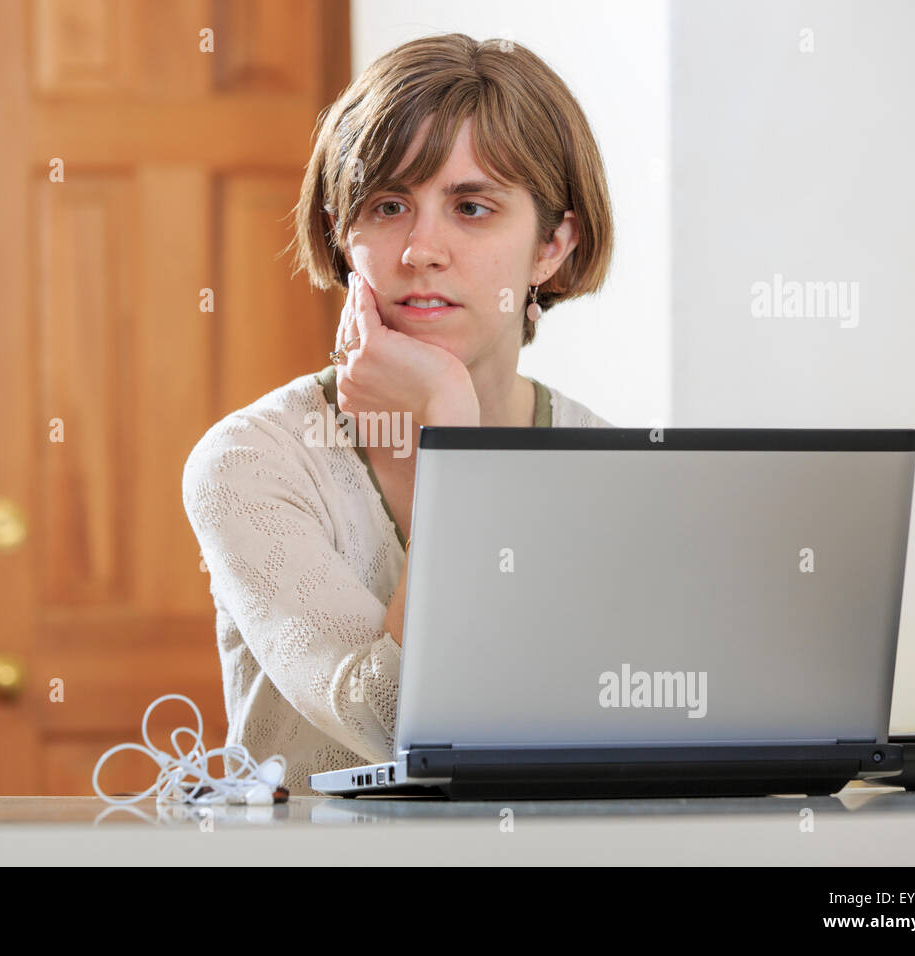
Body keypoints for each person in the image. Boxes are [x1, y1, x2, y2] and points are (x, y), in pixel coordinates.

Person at [181, 33, 616, 796]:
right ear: (345, 237)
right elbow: (396, 724)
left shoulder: (607, 465)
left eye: (472, 207)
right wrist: (450, 426)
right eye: (388, 206)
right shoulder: (251, 463)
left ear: (552, 245)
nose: (420, 249)